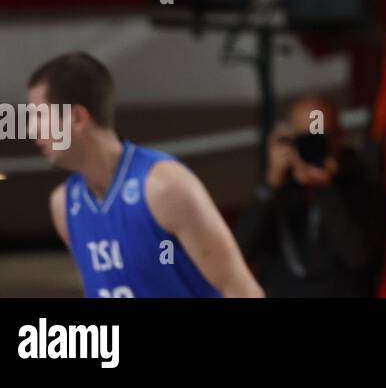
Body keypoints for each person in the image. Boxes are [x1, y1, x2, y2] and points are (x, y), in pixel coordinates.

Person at [28, 53, 263, 298]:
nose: (31, 129)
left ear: (77, 117)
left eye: (39, 116)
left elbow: (242, 290)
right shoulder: (64, 203)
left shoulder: (165, 187)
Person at [233, 95, 386, 297]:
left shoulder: (361, 182)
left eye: (320, 138)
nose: (312, 148)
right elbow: (240, 251)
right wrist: (270, 185)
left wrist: (325, 189)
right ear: (289, 143)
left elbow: (358, 254)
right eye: (305, 139)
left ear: (340, 137)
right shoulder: (279, 189)